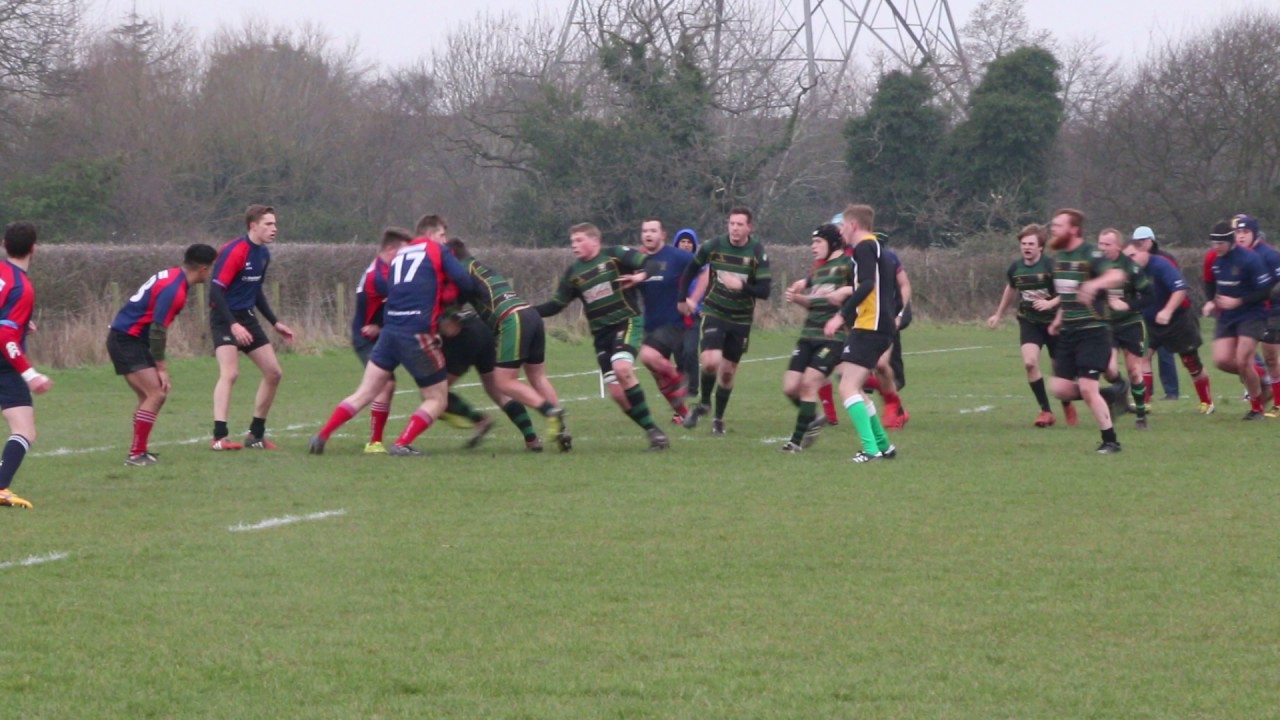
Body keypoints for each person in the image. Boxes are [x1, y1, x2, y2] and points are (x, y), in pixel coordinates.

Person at [309, 228, 475, 456]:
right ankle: (402, 442)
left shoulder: (400, 256)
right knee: (437, 398)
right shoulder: (436, 250)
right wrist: (454, 306)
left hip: (389, 333)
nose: (445, 240)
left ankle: (323, 434)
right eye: (441, 234)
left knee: (365, 392)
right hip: (416, 333)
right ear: (429, 233)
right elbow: (465, 281)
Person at [536, 223, 669, 450]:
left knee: (622, 368)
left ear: (594, 241)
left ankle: (655, 433)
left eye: (579, 240)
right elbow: (556, 305)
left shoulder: (615, 256)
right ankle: (653, 431)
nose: (574, 245)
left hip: (626, 322)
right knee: (617, 394)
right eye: (572, 241)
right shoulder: (573, 274)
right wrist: (524, 311)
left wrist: (640, 276)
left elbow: (653, 262)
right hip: (601, 335)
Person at [446, 238, 568, 452]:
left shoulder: (461, 273)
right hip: (530, 314)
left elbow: (454, 304)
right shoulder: (481, 266)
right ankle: (562, 431)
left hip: (513, 319)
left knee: (502, 382)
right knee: (538, 377)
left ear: (452, 255)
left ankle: (549, 411)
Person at [108, 243, 218, 466]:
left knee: (148, 396)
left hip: (132, 339)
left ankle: (139, 450)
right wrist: (162, 367)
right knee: (156, 394)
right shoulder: (174, 290)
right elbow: (158, 330)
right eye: (212, 268)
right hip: (126, 339)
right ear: (204, 269)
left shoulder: (173, 275)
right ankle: (135, 454)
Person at [678, 207, 772, 435]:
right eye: (731, 223)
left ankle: (718, 418)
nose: (735, 228)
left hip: (741, 319)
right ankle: (704, 403)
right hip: (715, 312)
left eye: (740, 224)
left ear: (749, 227)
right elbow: (691, 268)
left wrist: (742, 286)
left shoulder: (757, 252)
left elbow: (765, 290)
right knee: (710, 361)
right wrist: (683, 298)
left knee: (728, 371)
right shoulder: (714, 246)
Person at [209, 204, 295, 450]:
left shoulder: (264, 254)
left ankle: (255, 435)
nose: (274, 228)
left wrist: (275, 322)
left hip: (247, 318)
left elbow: (255, 290)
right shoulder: (235, 251)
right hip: (224, 317)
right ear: (253, 226)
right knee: (231, 373)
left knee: (274, 372)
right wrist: (233, 324)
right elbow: (216, 290)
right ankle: (219, 437)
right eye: (268, 224)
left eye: (275, 224)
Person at [1045, 208, 1128, 453]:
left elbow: (1117, 274)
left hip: (1093, 331)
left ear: (1073, 229)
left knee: (1088, 387)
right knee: (1059, 389)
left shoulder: (1090, 253)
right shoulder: (1059, 258)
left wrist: (1095, 283)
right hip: (1069, 331)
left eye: (1058, 225)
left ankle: (1111, 441)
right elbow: (1067, 293)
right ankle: (1111, 394)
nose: (1053, 229)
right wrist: (1059, 318)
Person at [821, 204, 897, 463]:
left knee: (847, 386)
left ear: (853, 225)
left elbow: (867, 284)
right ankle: (883, 445)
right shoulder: (878, 248)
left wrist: (842, 315)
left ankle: (870, 449)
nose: (840, 231)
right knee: (855, 385)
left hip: (870, 327)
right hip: (879, 326)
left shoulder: (864, 247)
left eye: (842, 226)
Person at [985, 223, 1072, 427]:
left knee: (1060, 371)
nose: (1027, 247)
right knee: (1030, 363)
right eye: (1023, 243)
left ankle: (1067, 403)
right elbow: (1011, 289)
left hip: (1054, 324)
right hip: (1029, 322)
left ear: (1040, 246)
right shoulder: (1016, 268)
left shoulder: (1051, 266)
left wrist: (1050, 303)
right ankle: (1046, 411)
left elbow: (1067, 292)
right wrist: (998, 315)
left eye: (1031, 244)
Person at [1120, 233, 1215, 415]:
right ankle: (1145, 402)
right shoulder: (1130, 273)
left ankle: (1206, 401)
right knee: (1143, 357)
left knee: (1191, 363)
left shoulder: (1161, 264)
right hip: (1150, 322)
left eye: (1132, 256)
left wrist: (1167, 311)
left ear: (1143, 251)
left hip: (1178, 319)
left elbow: (1180, 289)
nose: (1129, 260)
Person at [779, 224, 851, 452]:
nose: (813, 247)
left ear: (832, 243)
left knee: (809, 383)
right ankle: (813, 417)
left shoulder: (848, 265)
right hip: (808, 335)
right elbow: (813, 302)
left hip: (832, 338)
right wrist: (796, 297)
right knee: (790, 388)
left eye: (817, 242)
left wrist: (845, 294)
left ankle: (795, 442)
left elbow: (863, 289)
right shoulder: (817, 270)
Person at [0, 222, 52, 509]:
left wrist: (19, 323)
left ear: (4, 244)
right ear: (33, 248)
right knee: (24, 430)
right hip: (4, 362)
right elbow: (5, 334)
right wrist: (30, 374)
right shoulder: (22, 286)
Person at [1203, 219, 1274, 420]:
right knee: (1222, 360)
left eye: (1220, 244)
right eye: (1213, 244)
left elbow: (1266, 291)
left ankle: (1256, 408)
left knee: (1243, 360)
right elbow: (1209, 283)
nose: (1216, 248)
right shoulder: (1213, 259)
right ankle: (1263, 381)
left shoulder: (1250, 260)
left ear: (1231, 242)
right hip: (1227, 316)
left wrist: (1238, 301)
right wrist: (1210, 301)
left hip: (1252, 314)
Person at [349, 228, 411, 453]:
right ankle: (374, 442)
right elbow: (403, 302)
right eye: (404, 251)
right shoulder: (379, 276)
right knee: (384, 384)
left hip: (381, 334)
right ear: (390, 249)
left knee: (383, 385)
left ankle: (328, 433)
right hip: (366, 338)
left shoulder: (388, 270)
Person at [636, 219, 695, 422]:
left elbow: (705, 270)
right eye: (645, 231)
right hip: (650, 324)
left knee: (647, 356)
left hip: (675, 322)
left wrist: (694, 300)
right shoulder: (637, 260)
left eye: (653, 230)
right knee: (658, 376)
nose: (648, 234)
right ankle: (684, 414)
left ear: (663, 234)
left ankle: (682, 381)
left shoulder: (677, 256)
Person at [1097, 228, 1153, 428]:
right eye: (1100, 244)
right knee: (1108, 370)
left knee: (1135, 371)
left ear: (1118, 247)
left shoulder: (1130, 268)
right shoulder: (1094, 266)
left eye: (1107, 244)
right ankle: (1121, 387)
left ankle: (1140, 415)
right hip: (1107, 325)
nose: (1102, 248)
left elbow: (1149, 295)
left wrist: (1127, 305)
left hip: (1131, 324)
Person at [1231, 215, 1280, 417]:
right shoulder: (1238, 256)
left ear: (1254, 234)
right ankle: (1257, 401)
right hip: (1249, 313)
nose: (1240, 237)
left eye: (1245, 232)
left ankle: (1277, 403)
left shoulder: (1269, 255)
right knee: (1242, 357)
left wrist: (1264, 292)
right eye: (1238, 233)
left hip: (1272, 311)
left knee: (1270, 357)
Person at [1131, 226, 1180, 400]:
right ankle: (1147, 393)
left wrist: (1168, 310)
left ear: (1151, 240)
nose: (1140, 245)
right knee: (1144, 355)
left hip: (1165, 315)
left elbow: (1176, 285)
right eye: (1137, 242)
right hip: (1146, 314)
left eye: (1143, 241)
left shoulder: (1165, 259)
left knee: (1166, 355)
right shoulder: (1136, 260)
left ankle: (1171, 392)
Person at [672, 228, 707, 421]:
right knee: (678, 352)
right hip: (674, 317)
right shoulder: (671, 264)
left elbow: (707, 287)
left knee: (690, 350)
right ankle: (680, 387)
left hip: (693, 315)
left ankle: (693, 388)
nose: (685, 245)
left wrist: (703, 306)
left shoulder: (700, 266)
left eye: (689, 242)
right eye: (682, 241)